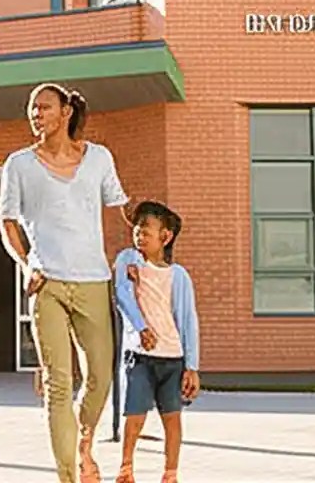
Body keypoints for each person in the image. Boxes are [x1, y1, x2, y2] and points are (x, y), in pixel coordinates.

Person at [0, 82, 134, 483]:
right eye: (32, 108)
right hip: (47, 284)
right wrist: (26, 264)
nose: (36, 114)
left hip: (94, 280)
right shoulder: (18, 164)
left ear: (65, 113)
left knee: (101, 377)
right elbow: (7, 221)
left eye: (44, 107)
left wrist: (146, 248)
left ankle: (84, 443)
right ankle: (68, 476)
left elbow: (121, 211)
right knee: (58, 383)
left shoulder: (99, 158)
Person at [112, 201, 201, 483]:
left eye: (146, 230)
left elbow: (188, 320)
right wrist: (141, 327)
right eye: (136, 230)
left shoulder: (179, 276)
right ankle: (126, 469)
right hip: (139, 356)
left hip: (172, 359)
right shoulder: (128, 260)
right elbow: (122, 295)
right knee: (134, 416)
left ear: (166, 236)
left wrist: (192, 366)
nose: (139, 235)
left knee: (172, 419)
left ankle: (170, 474)